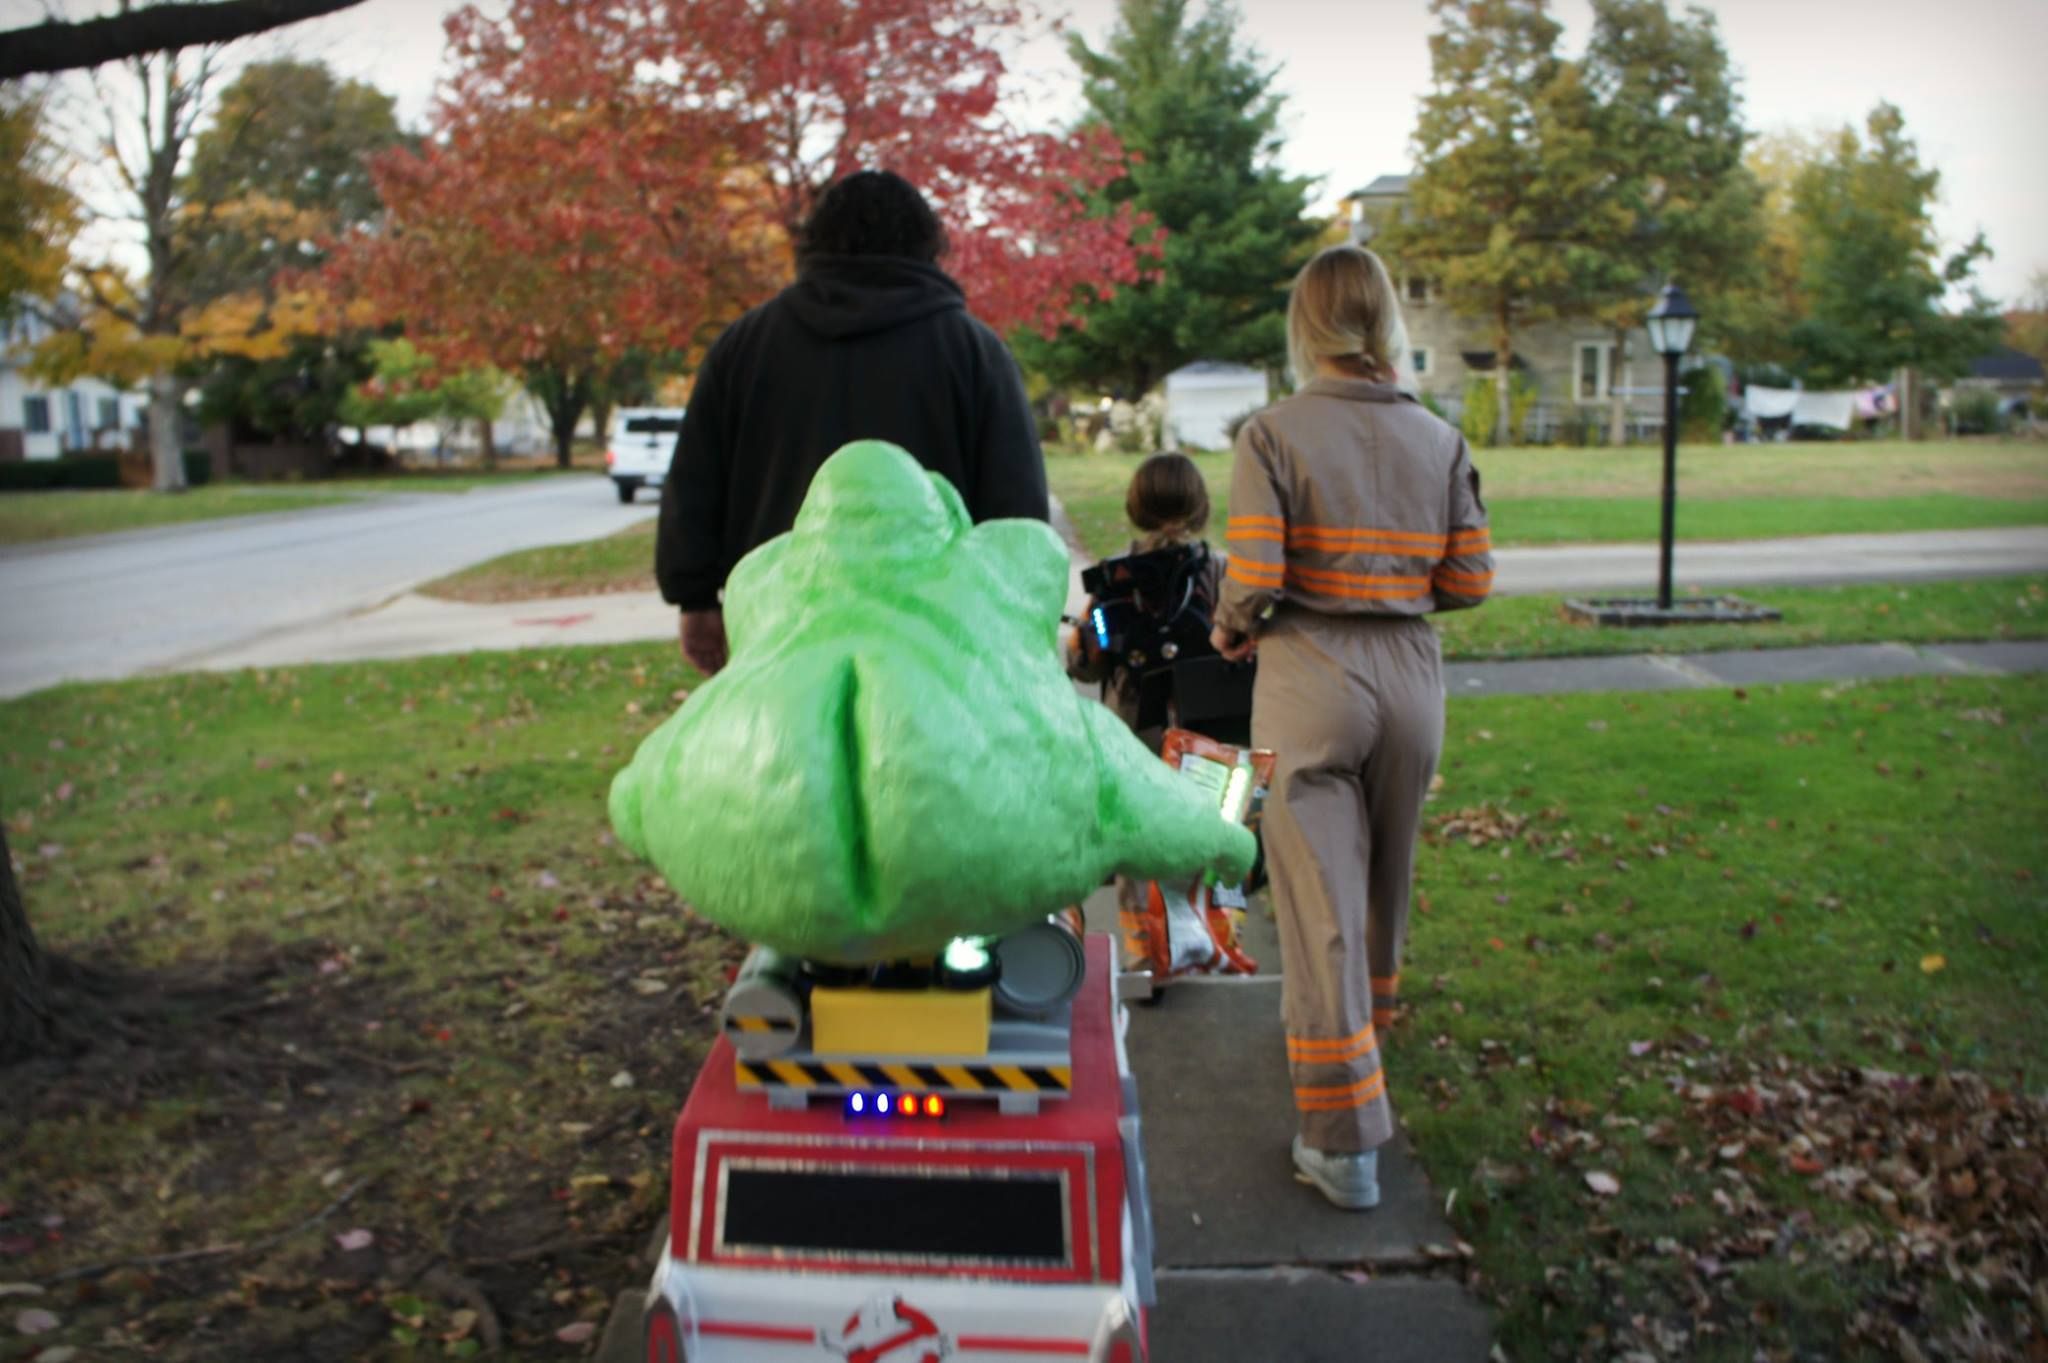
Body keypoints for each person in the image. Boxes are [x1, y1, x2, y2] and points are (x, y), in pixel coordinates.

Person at [1209, 244, 1491, 1211]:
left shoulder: (1271, 435)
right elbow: (1470, 582)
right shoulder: (1440, 437)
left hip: (1312, 675)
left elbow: (1252, 578)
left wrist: (1230, 629)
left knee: (1317, 911)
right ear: (1384, 324)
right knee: (1378, 896)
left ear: (1307, 325)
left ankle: (1342, 1142)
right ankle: (1367, 1052)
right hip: (1412, 677)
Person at [656, 169, 1048, 675]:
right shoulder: (971, 352)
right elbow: (1016, 513)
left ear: (816, 241)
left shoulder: (746, 348)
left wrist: (696, 600)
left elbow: (694, 485)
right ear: (927, 242)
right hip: (937, 649)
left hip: (777, 636)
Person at [1065, 451, 1224, 749]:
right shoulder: (1217, 570)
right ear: (1201, 507)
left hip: (1128, 731)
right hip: (1205, 732)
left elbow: (1085, 666)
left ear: (1135, 508)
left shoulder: (1113, 575)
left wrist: (1091, 638)